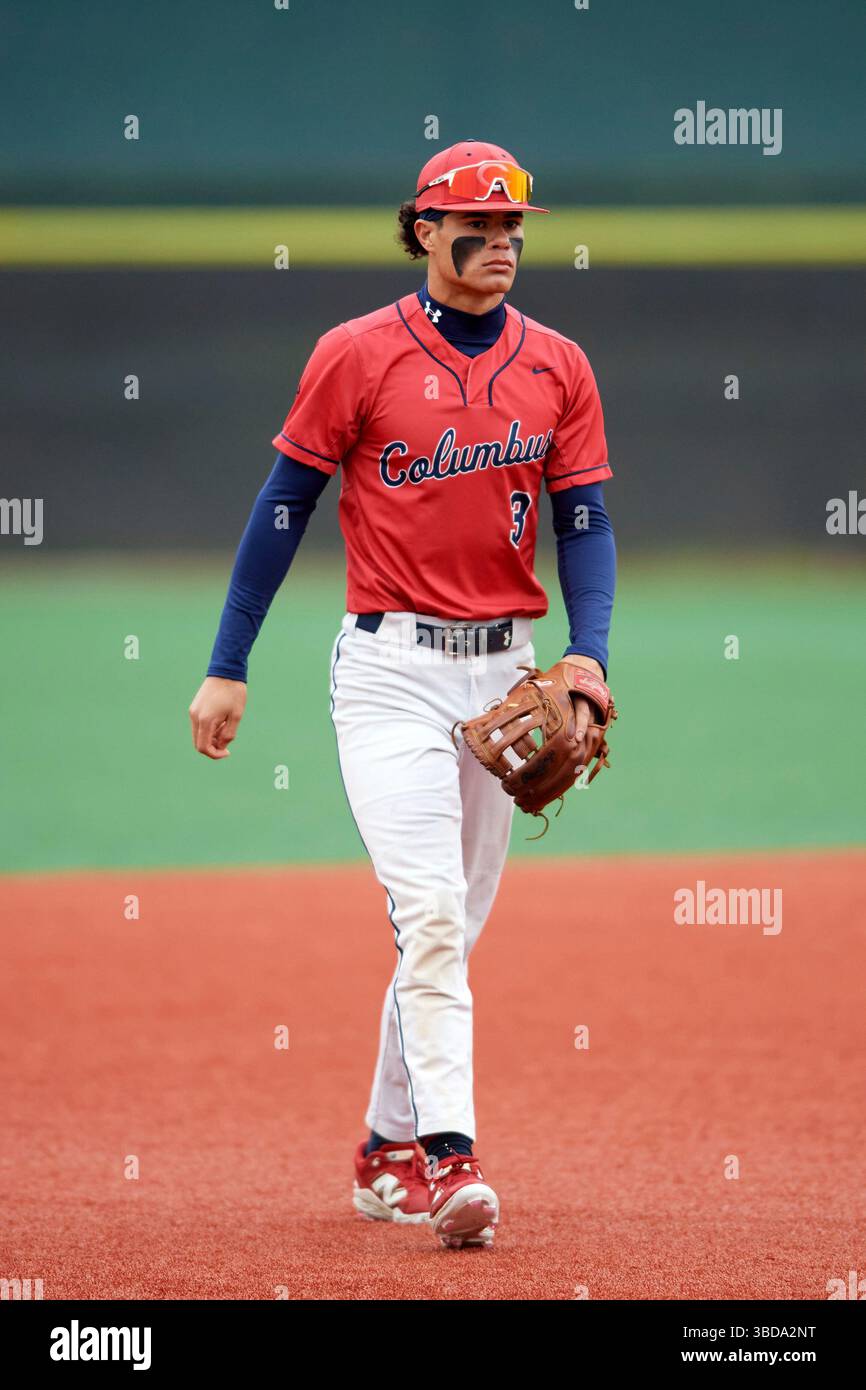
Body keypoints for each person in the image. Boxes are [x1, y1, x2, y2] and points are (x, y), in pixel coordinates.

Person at [188, 139, 616, 1249]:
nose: (503, 244)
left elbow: (585, 520)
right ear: (423, 231)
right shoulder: (356, 354)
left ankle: (381, 1151)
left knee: (450, 929)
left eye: (516, 227)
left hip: (502, 666)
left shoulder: (558, 364)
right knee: (426, 913)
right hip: (386, 672)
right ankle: (449, 1161)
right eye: (479, 224)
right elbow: (281, 504)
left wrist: (588, 655)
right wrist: (227, 662)